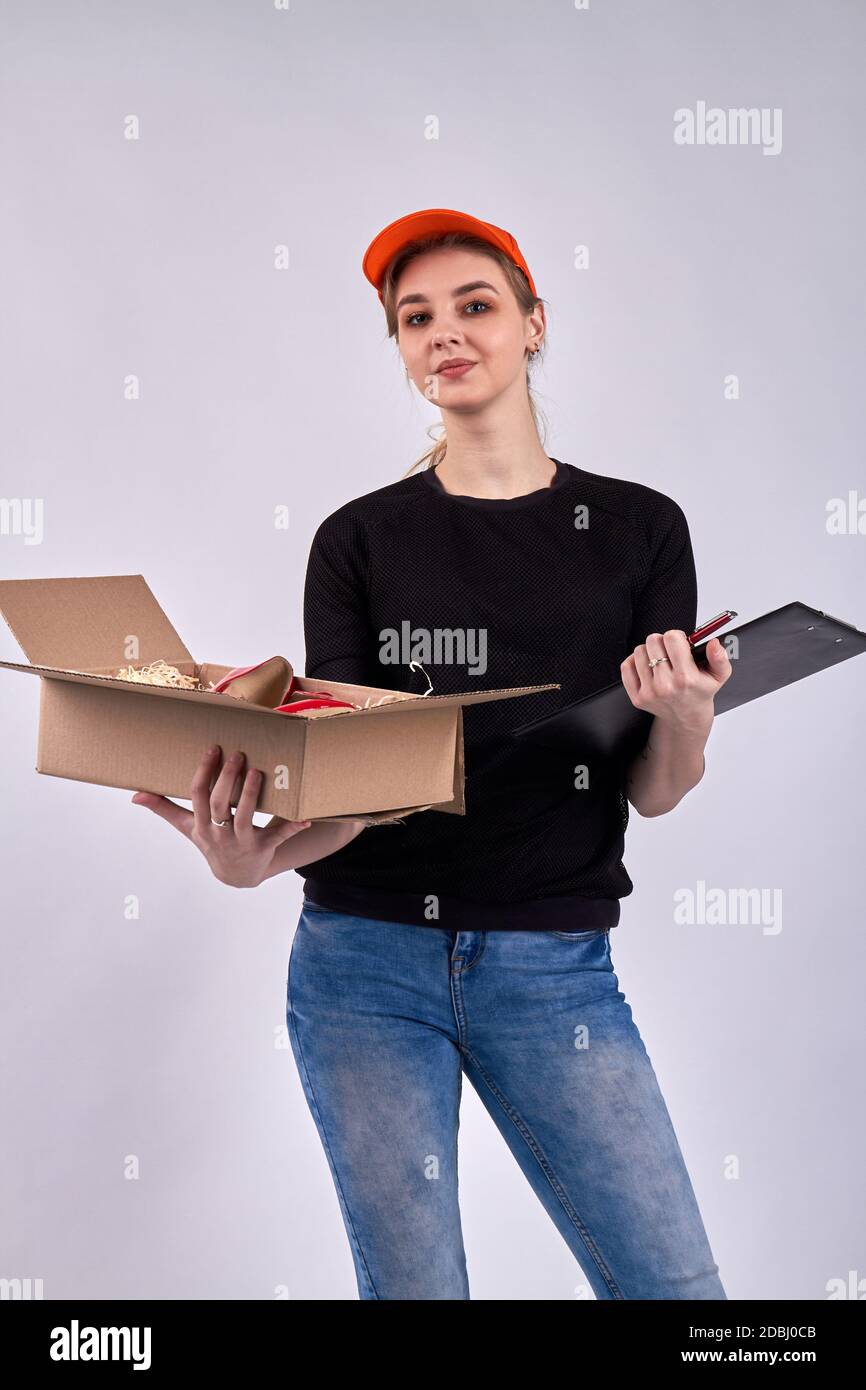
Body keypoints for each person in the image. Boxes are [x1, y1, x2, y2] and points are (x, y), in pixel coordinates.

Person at [133, 207, 733, 1301]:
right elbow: (357, 775)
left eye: (474, 306)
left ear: (531, 325)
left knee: (678, 1294)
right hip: (362, 964)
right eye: (416, 318)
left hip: (553, 972)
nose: (444, 333)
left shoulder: (641, 528)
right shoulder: (359, 540)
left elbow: (651, 791)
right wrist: (258, 859)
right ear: (401, 349)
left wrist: (685, 712)